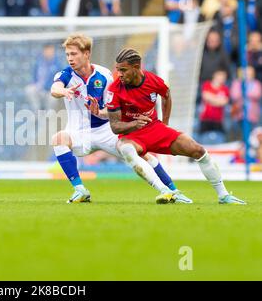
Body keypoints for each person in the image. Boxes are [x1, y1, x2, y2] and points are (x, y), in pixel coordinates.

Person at [50, 34, 190, 203]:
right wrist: (63, 91)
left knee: (143, 153)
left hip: (107, 129)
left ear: (86, 53)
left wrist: (100, 112)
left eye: (74, 54)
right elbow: (55, 89)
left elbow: (114, 106)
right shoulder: (65, 75)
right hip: (79, 130)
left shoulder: (105, 75)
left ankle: (172, 191)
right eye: (67, 54)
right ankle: (80, 190)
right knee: (58, 139)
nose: (70, 59)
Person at [104, 48, 246, 204]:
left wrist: (165, 124)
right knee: (126, 150)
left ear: (137, 67)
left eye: (123, 70)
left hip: (155, 129)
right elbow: (115, 127)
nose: (119, 74)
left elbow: (166, 95)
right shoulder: (114, 90)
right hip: (132, 135)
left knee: (199, 150)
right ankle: (166, 191)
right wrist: (134, 124)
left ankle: (223, 195)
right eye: (118, 70)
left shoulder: (154, 81)